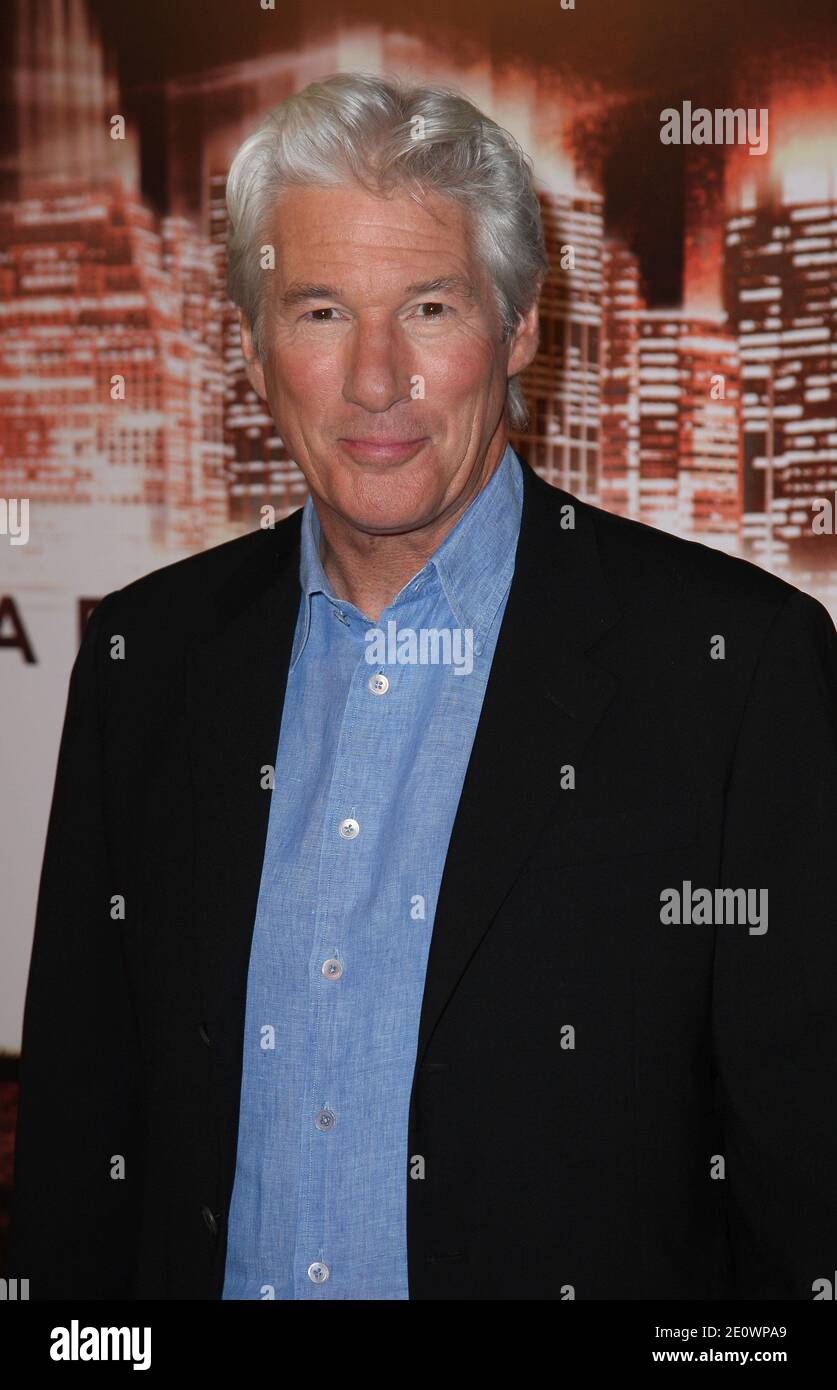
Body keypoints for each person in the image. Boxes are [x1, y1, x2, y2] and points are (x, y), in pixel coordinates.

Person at [9, 72, 837, 1300]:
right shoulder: (146, 661)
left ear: (521, 328)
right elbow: (84, 1144)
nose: (377, 380)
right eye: (323, 310)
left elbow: (802, 1185)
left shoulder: (736, 672)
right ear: (251, 342)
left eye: (432, 307)